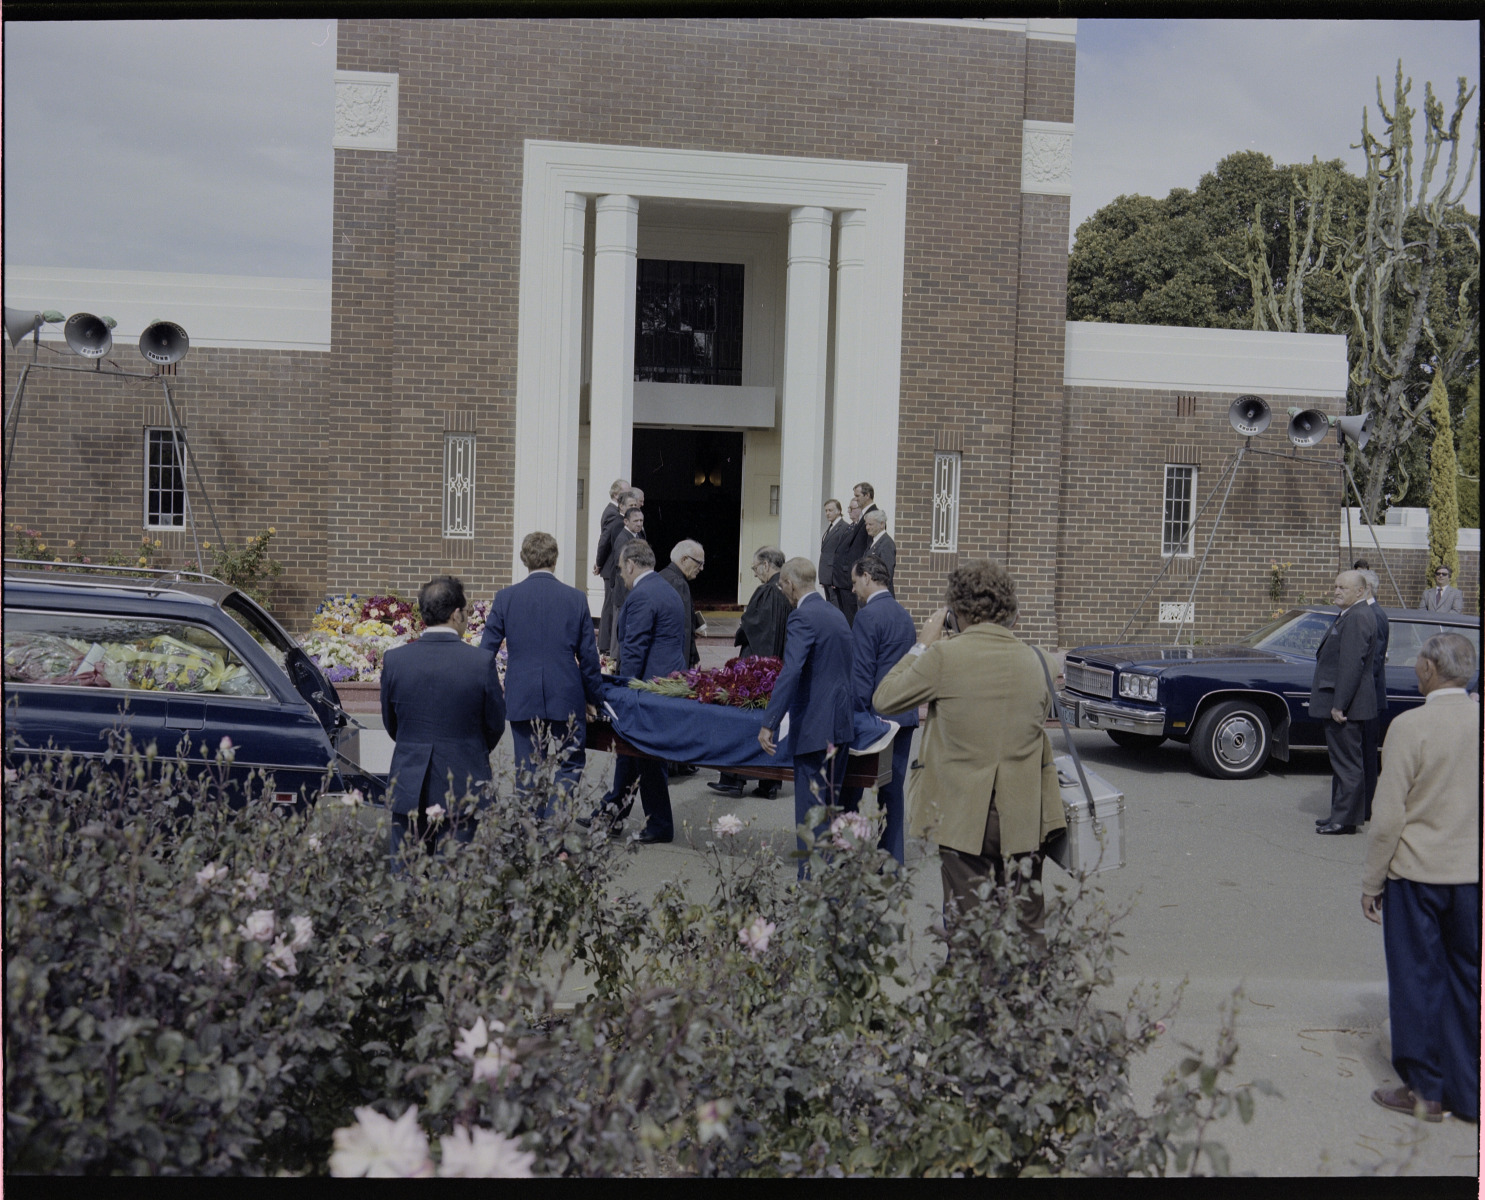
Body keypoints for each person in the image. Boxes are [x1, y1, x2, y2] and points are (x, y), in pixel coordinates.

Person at [873, 558, 1065, 934]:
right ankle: (1031, 990)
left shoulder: (944, 657)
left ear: (956, 610)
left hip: (964, 815)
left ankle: (976, 991)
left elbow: (885, 698)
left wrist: (922, 644)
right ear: (1010, 610)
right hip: (1025, 816)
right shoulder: (1040, 661)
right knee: (1027, 921)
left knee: (969, 926)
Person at [1361, 632, 1480, 1123]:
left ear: (1432, 669)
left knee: (1417, 980)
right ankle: (1470, 1093)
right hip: (1474, 874)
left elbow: (1388, 816)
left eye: (1418, 664)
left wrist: (1372, 881)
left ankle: (1426, 1090)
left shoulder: (1411, 725)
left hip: (1419, 874)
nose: (1414, 670)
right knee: (1467, 981)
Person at [380, 576, 506, 871]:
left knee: (406, 876)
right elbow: (495, 724)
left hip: (410, 778)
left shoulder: (396, 660)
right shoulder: (480, 662)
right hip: (462, 777)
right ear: (456, 613)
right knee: (453, 881)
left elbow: (391, 723)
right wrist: (470, 747)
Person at [481, 531, 603, 812]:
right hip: (566, 691)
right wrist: (593, 697)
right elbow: (588, 657)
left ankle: (532, 832)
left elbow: (485, 653)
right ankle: (554, 829)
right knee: (570, 764)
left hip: (522, 692)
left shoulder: (506, 598)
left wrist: (490, 693)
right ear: (555, 558)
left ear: (524, 560)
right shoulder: (575, 598)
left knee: (528, 768)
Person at [757, 557, 854, 876]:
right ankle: (831, 887)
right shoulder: (836, 614)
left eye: (782, 585)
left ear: (790, 584)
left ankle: (810, 887)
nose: (782, 590)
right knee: (829, 811)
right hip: (840, 725)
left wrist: (769, 722)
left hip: (814, 728)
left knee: (810, 814)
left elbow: (792, 671)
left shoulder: (802, 617)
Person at [590, 540, 688, 843]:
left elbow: (634, 649)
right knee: (631, 753)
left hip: (646, 686)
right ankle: (613, 813)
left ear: (631, 564)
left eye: (620, 569)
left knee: (645, 756)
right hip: (665, 681)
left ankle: (658, 824)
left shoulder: (642, 595)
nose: (621, 575)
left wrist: (623, 690)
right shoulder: (665, 589)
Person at [838, 555, 918, 865]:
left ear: (868, 577)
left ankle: (847, 853)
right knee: (892, 790)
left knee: (851, 788)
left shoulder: (867, 616)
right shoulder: (903, 614)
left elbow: (861, 674)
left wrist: (853, 714)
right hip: (905, 715)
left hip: (875, 717)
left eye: (855, 581)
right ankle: (893, 859)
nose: (853, 588)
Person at [710, 546, 791, 799]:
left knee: (744, 719)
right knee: (773, 721)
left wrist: (743, 623)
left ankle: (734, 779)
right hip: (779, 665)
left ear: (767, 565)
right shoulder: (788, 592)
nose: (755, 573)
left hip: (757, 667)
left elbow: (751, 625)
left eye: (756, 568)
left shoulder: (766, 591)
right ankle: (770, 783)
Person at [1311, 570, 1379, 835]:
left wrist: (1339, 705)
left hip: (1348, 706)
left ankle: (1345, 820)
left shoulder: (1359, 617)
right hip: (1344, 702)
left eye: (1343, 588)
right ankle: (1341, 815)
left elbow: (1352, 665)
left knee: (1348, 765)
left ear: (1360, 592)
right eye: (1335, 586)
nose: (1336, 591)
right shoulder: (1351, 614)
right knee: (1342, 763)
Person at [1353, 566, 1389, 824]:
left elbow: (1372, 662)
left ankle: (1365, 809)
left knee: (1365, 755)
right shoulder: (1366, 613)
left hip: (1368, 698)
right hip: (1365, 696)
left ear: (1364, 589)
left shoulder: (1374, 615)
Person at [597, 488, 642, 654]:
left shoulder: (636, 528)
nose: (635, 507)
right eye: (631, 504)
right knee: (613, 611)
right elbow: (605, 543)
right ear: (621, 506)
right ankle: (608, 648)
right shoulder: (616, 522)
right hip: (617, 574)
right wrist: (599, 563)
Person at [659, 539, 706, 669]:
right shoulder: (678, 583)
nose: (701, 568)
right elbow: (682, 628)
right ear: (684, 559)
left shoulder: (663, 575)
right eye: (699, 563)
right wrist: (687, 663)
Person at [839, 482, 881, 625]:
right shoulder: (865, 515)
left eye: (857, 496)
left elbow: (869, 547)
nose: (855, 499)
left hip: (861, 575)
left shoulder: (873, 515)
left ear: (867, 495)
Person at [819, 499, 852, 615]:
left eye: (830, 510)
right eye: (826, 510)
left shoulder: (843, 528)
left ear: (838, 511)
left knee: (835, 607)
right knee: (830, 605)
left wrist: (834, 577)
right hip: (827, 576)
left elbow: (841, 554)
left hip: (834, 576)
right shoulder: (831, 527)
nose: (827, 513)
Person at [863, 508, 896, 590]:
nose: (867, 527)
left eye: (870, 524)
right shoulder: (873, 541)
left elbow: (886, 574)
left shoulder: (887, 544)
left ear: (882, 524)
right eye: (866, 524)